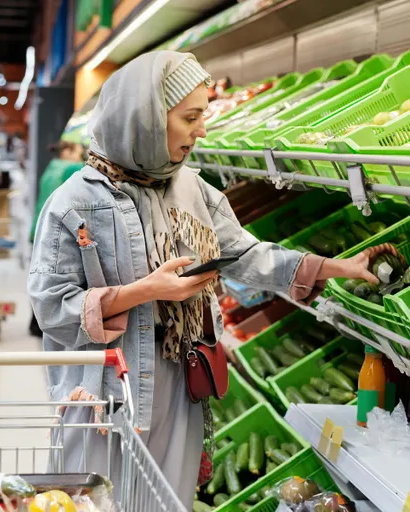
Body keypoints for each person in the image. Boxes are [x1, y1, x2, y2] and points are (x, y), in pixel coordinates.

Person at [28, 51, 395, 508]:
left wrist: (337, 266)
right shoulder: (74, 203)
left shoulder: (193, 189)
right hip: (109, 393)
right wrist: (147, 291)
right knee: (95, 501)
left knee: (166, 501)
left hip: (181, 382)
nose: (202, 130)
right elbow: (51, 307)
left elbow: (244, 254)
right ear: (144, 119)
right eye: (190, 117)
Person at [28, 140, 84, 337]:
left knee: (40, 278)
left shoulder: (51, 167)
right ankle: (43, 325)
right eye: (79, 151)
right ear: (67, 151)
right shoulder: (71, 168)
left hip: (38, 228)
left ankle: (35, 323)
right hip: (54, 231)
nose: (82, 156)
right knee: (54, 282)